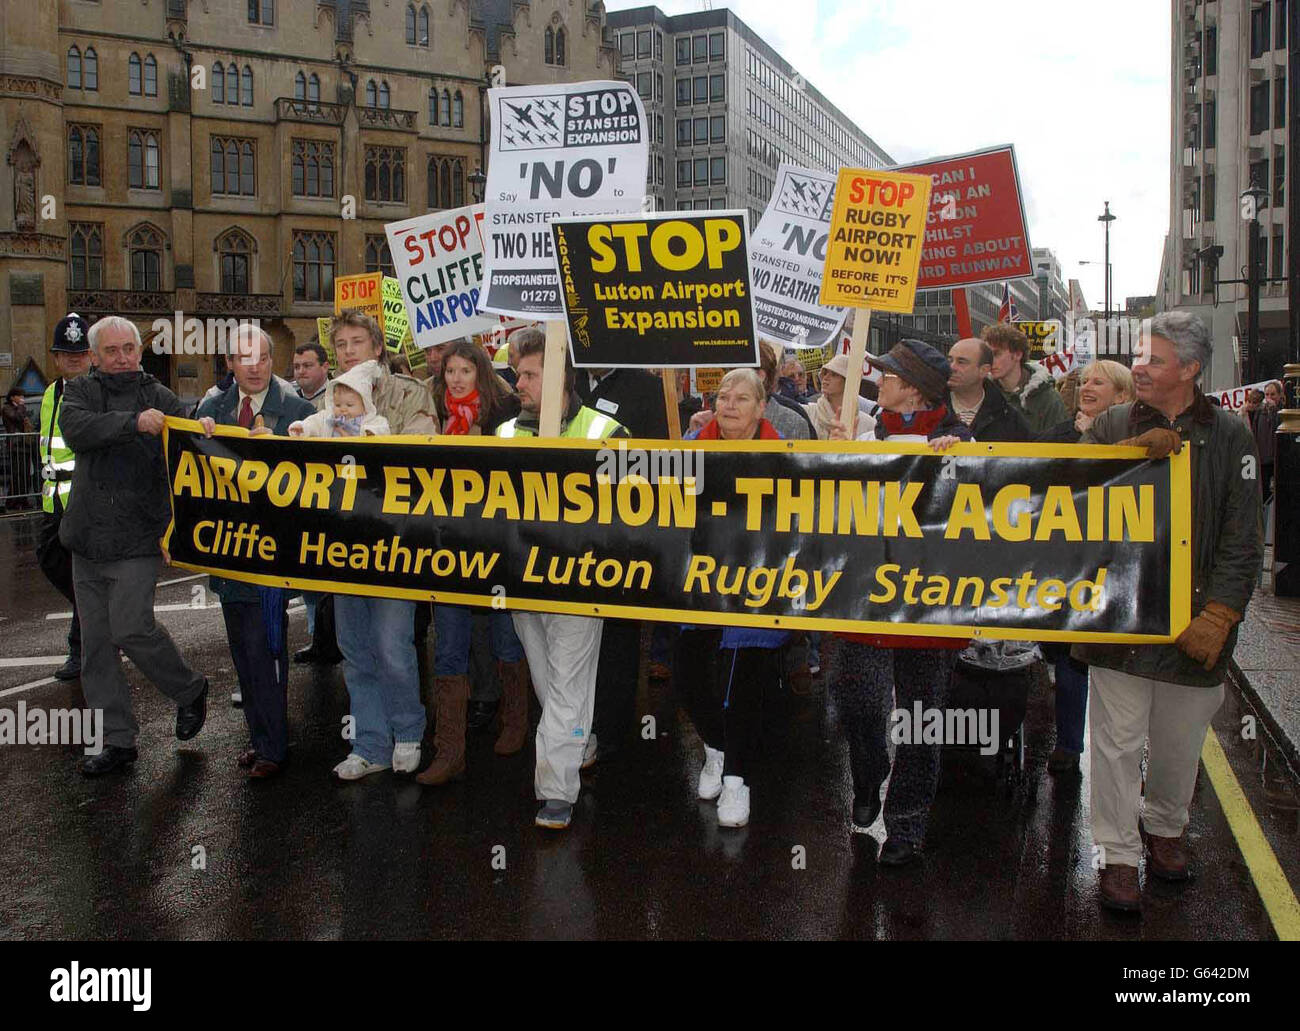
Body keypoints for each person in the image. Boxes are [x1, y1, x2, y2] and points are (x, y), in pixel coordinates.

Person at [1074, 311, 1263, 914]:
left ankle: (1166, 828)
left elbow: (1244, 534)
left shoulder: (1231, 435)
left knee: (1180, 743)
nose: (1139, 368)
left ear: (1189, 368)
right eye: (1139, 357)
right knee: (1115, 742)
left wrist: (1222, 613)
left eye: (1154, 360)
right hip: (1124, 617)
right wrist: (1131, 460)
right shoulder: (1110, 424)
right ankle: (1120, 854)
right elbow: (1070, 501)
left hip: (1195, 624)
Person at [830, 339, 970, 866]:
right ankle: (868, 779)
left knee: (920, 717)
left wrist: (958, 464)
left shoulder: (963, 443)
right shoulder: (863, 434)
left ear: (912, 388)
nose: (878, 381)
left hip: (932, 606)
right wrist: (836, 456)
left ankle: (908, 825)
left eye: (887, 375)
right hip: (866, 600)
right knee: (861, 705)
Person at [59, 316, 209, 776]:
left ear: (140, 352)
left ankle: (189, 690)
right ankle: (117, 740)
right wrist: (133, 423)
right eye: (111, 351)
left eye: (129, 349)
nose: (122, 357)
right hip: (87, 540)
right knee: (97, 647)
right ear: (95, 356)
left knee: (131, 628)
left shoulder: (158, 395)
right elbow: (78, 431)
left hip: (138, 539)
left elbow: (186, 442)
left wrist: (202, 425)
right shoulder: (80, 392)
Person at [497, 326, 628, 829]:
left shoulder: (604, 431)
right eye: (517, 373)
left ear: (563, 375)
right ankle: (579, 739)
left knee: (568, 684)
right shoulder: (506, 433)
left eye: (531, 373)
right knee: (548, 681)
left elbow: (631, 509)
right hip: (525, 582)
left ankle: (556, 791)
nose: (520, 384)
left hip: (580, 583)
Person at [195, 326, 316, 778]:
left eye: (262, 358)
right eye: (244, 358)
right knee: (242, 652)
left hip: (272, 557)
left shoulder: (300, 410)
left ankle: (273, 749)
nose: (254, 366)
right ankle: (261, 737)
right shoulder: (212, 408)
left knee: (265, 647)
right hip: (229, 556)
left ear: (272, 360)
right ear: (230, 363)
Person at [327, 310, 440, 782]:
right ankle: (369, 743)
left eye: (357, 342)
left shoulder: (411, 393)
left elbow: (419, 450)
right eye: (341, 344)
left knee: (392, 644)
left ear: (377, 348)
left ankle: (408, 732)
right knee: (354, 648)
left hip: (394, 542)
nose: (348, 351)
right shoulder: (326, 400)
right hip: (342, 542)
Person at [678, 368, 790, 827]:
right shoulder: (690, 448)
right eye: (723, 396)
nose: (728, 405)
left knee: (743, 683)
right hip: (699, 581)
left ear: (762, 407)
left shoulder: (786, 453)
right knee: (688, 674)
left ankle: (738, 780)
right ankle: (716, 747)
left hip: (756, 585)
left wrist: (836, 447)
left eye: (741, 398)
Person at [418, 340, 527, 785]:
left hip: (496, 548)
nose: (457, 379)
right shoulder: (434, 416)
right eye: (450, 372)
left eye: (465, 370)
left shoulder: (506, 414)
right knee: (449, 644)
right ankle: (449, 750)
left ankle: (517, 722)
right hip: (449, 549)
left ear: (480, 372)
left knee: (505, 640)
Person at [1034, 360, 1135, 776]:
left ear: (1123, 396)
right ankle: (1069, 745)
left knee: (1117, 666)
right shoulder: (1057, 436)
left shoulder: (1138, 439)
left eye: (1100, 382)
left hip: (1121, 561)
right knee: (1071, 654)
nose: (1086, 387)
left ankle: (1128, 760)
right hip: (1070, 560)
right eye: (1084, 380)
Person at [36, 314, 93, 680]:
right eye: (65, 353)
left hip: (84, 501)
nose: (72, 359)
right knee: (50, 561)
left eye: (79, 353)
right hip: (53, 501)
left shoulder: (95, 392)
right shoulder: (49, 393)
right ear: (56, 357)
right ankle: (94, 616)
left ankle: (81, 646)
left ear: (90, 356)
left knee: (80, 572)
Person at [984, 323, 1068, 434]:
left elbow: (1058, 444)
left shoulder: (1049, 399)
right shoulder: (983, 393)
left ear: (1018, 355)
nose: (990, 361)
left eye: (996, 354)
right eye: (987, 355)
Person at [944, 337, 1032, 442]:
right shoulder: (929, 408)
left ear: (984, 370)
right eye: (950, 360)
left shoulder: (1007, 417)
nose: (952, 367)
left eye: (961, 362)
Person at [289, 361, 392, 438]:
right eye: (338, 405)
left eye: (349, 405)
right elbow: (314, 423)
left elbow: (382, 431)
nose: (343, 409)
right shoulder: (328, 418)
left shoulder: (373, 421)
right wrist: (303, 428)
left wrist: (368, 433)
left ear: (365, 405)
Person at [804, 353, 878, 440]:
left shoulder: (868, 424)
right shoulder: (807, 413)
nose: (826, 378)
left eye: (834, 375)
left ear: (847, 381)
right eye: (825, 373)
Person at [1242, 381, 1282, 506]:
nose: (1269, 398)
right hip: (1263, 461)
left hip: (1277, 460)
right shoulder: (1259, 413)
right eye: (1267, 394)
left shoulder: (1280, 412)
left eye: (1273, 394)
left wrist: (1274, 411)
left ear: (1280, 395)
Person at [3, 386, 35, 509]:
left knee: (26, 474)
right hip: (15, 445)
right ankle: (13, 502)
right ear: (12, 397)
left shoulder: (20, 408)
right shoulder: (7, 408)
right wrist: (21, 407)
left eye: (23, 396)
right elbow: (16, 417)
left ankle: (23, 500)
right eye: (19, 396)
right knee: (17, 475)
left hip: (25, 444)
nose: (22, 398)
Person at [292, 341, 331, 410]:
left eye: (307, 366)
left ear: (325, 367)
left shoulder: (336, 396)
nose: (301, 371)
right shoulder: (287, 394)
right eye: (296, 367)